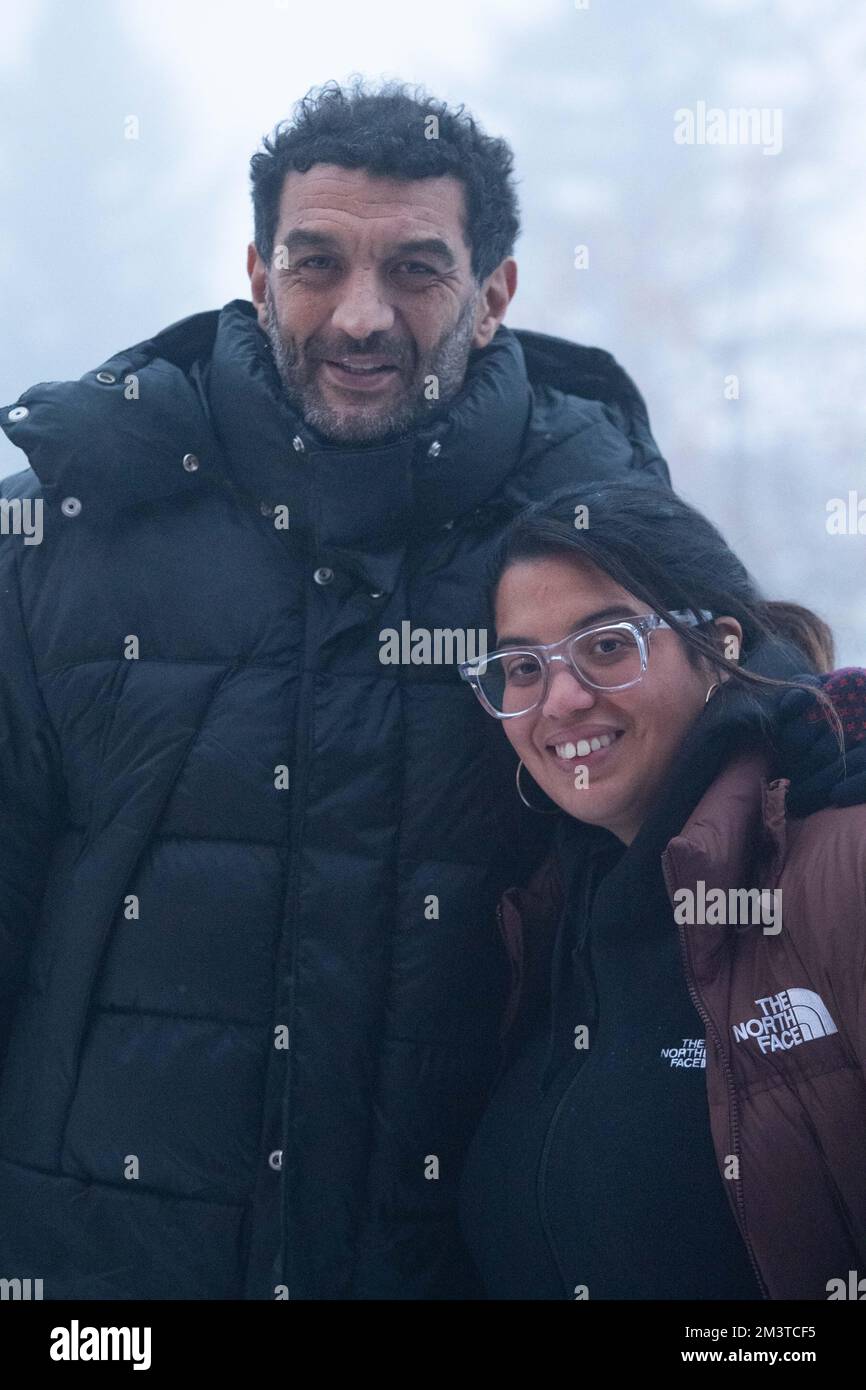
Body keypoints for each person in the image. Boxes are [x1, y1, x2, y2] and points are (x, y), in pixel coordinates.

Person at [0, 79, 857, 1302]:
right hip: (99, 1274)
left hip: (454, 1254)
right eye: (315, 263)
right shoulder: (72, 533)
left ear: (493, 293)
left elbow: (754, 736)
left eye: (414, 270)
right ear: (256, 272)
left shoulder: (580, 514)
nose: (361, 315)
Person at [456, 476, 866, 1300]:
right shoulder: (547, 924)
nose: (561, 701)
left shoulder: (840, 875)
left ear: (717, 648)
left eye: (607, 645)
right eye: (523, 667)